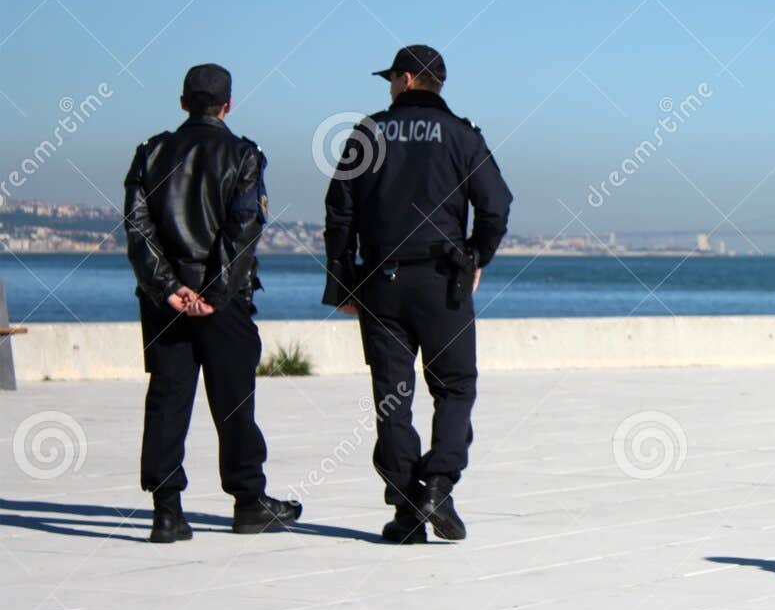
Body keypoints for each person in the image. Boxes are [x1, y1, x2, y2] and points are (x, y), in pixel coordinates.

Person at [322, 45, 513, 544]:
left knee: (392, 398)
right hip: (442, 281)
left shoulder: (368, 132)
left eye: (391, 79)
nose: (388, 86)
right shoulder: (463, 135)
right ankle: (439, 487)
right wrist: (476, 258)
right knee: (454, 388)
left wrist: (341, 283)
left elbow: (338, 212)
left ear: (407, 79)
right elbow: (497, 206)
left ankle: (407, 509)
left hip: (380, 281)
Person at [123, 63, 303, 543]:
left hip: (165, 304)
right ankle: (248, 502)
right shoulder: (243, 155)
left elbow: (138, 230)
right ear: (228, 105)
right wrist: (214, 292)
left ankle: (166, 511)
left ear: (183, 102)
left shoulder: (151, 154)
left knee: (166, 399)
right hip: (224, 304)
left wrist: (168, 288)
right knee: (234, 403)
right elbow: (243, 229)